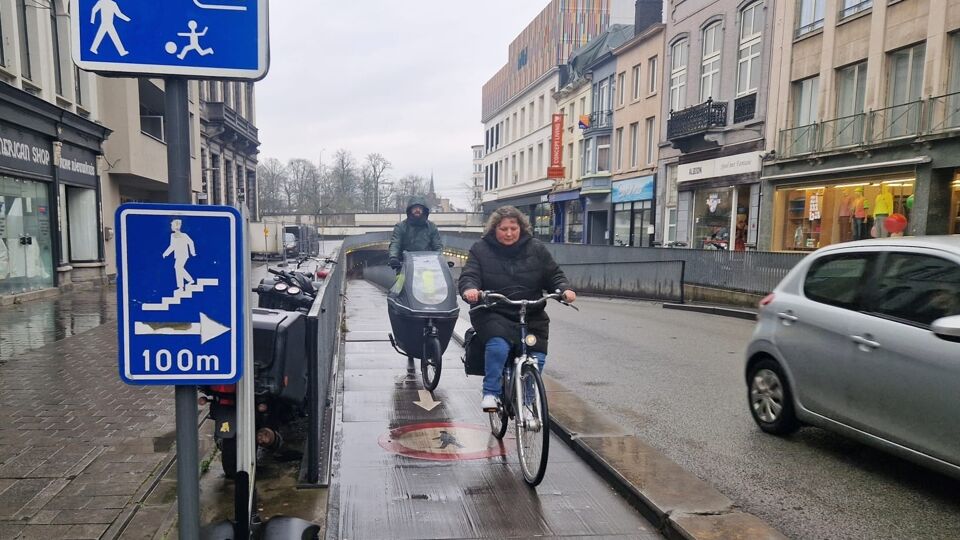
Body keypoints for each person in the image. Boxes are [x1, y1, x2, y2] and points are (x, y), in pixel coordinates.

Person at [458, 206, 576, 411]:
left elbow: (553, 274)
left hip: (530, 311)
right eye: (504, 229)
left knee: (536, 355)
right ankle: (491, 393)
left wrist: (564, 289)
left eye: (513, 228)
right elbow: (470, 274)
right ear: (494, 229)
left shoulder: (536, 248)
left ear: (521, 228)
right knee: (499, 346)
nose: (509, 233)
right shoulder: (480, 249)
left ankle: (528, 398)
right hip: (493, 311)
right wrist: (471, 289)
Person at [388, 196, 442, 272]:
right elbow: (395, 243)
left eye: (420, 208)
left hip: (427, 268)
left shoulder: (431, 227)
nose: (417, 210)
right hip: (405, 268)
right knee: (401, 282)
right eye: (415, 208)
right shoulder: (401, 227)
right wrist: (393, 257)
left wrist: (441, 259)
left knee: (430, 283)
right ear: (410, 210)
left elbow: (437, 246)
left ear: (424, 210)